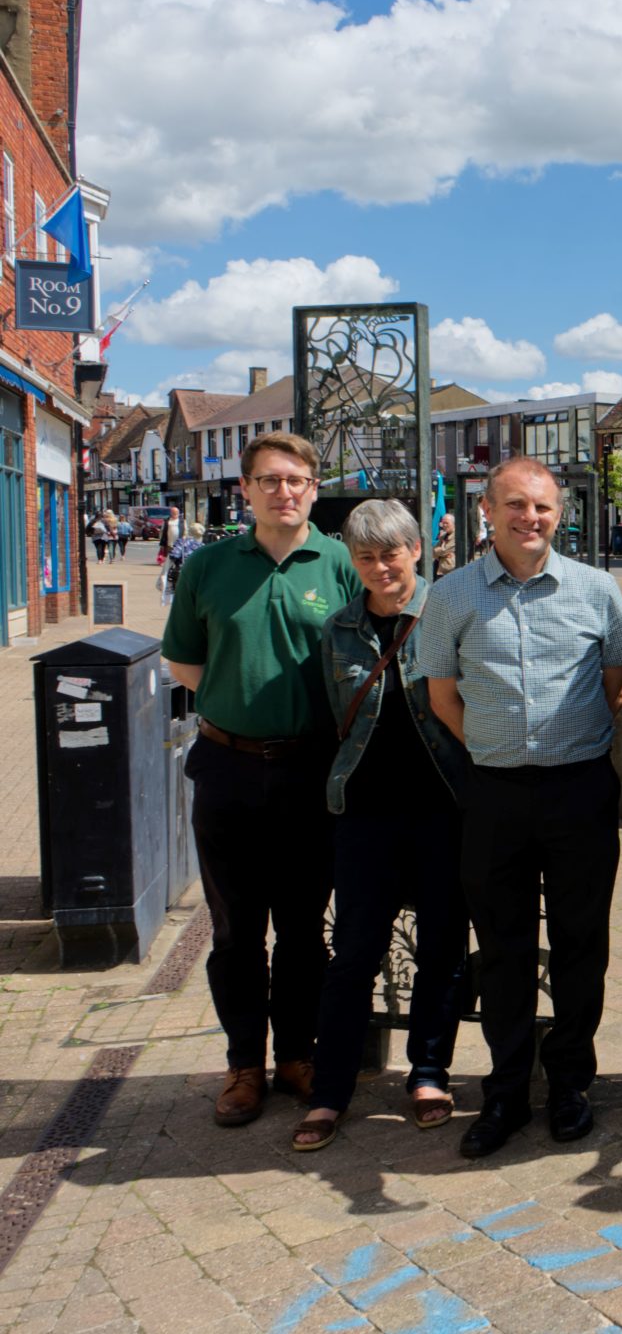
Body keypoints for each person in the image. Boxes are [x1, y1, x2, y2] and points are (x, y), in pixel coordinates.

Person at [416, 457, 622, 1158]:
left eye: (542, 506)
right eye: (515, 505)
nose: (530, 518)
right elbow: (442, 697)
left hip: (579, 790)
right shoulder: (451, 597)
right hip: (494, 793)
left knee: (581, 944)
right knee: (504, 950)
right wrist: (497, 743)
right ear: (488, 511)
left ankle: (571, 1083)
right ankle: (507, 1090)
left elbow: (617, 684)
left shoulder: (595, 590)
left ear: (560, 513)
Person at [160, 433, 362, 1127]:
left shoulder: (340, 563)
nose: (286, 492)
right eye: (271, 480)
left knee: (305, 929)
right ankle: (244, 1063)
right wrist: (241, 704)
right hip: (228, 769)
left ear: (313, 488)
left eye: (298, 480)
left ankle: (297, 1056)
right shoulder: (208, 566)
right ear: (243, 490)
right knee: (235, 932)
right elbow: (187, 665)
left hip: (311, 771)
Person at [292, 501, 471, 1151]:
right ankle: (330, 1090)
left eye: (390, 553)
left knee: (442, 950)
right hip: (363, 813)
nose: (379, 567)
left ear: (416, 550)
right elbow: (327, 719)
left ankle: (428, 1073)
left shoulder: (450, 614)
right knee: (353, 956)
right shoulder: (340, 629)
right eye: (365, 557)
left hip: (443, 808)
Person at [434, 513, 457, 577]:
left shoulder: (456, 535)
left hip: (450, 570)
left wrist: (441, 551)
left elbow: (444, 551)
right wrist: (442, 551)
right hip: (440, 569)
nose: (444, 525)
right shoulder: (443, 536)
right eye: (443, 523)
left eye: (447, 523)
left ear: (453, 524)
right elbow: (433, 552)